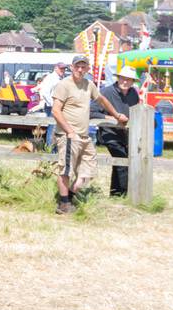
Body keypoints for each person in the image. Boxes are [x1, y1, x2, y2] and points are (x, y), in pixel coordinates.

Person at [51, 54, 129, 215]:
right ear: (71, 68)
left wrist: (116, 115)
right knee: (66, 170)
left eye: (83, 66)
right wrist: (70, 132)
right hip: (68, 137)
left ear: (87, 68)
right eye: (77, 66)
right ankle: (64, 205)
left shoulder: (89, 85)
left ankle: (70, 196)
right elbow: (55, 111)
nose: (80, 69)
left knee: (88, 171)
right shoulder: (63, 85)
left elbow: (102, 100)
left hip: (84, 137)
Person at [92, 65, 141, 197]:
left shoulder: (133, 93)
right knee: (122, 162)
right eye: (123, 78)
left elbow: (135, 110)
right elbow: (91, 111)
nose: (125, 82)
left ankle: (115, 194)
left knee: (121, 163)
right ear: (118, 78)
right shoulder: (106, 92)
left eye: (129, 79)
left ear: (133, 81)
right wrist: (113, 117)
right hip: (110, 134)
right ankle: (124, 195)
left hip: (126, 135)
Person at [37, 62, 67, 150]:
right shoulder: (51, 78)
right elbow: (45, 93)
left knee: (58, 128)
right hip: (52, 106)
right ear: (55, 68)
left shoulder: (61, 78)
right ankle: (50, 149)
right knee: (52, 127)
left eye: (64, 69)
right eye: (61, 68)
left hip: (59, 106)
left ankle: (55, 149)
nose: (63, 70)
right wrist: (54, 105)